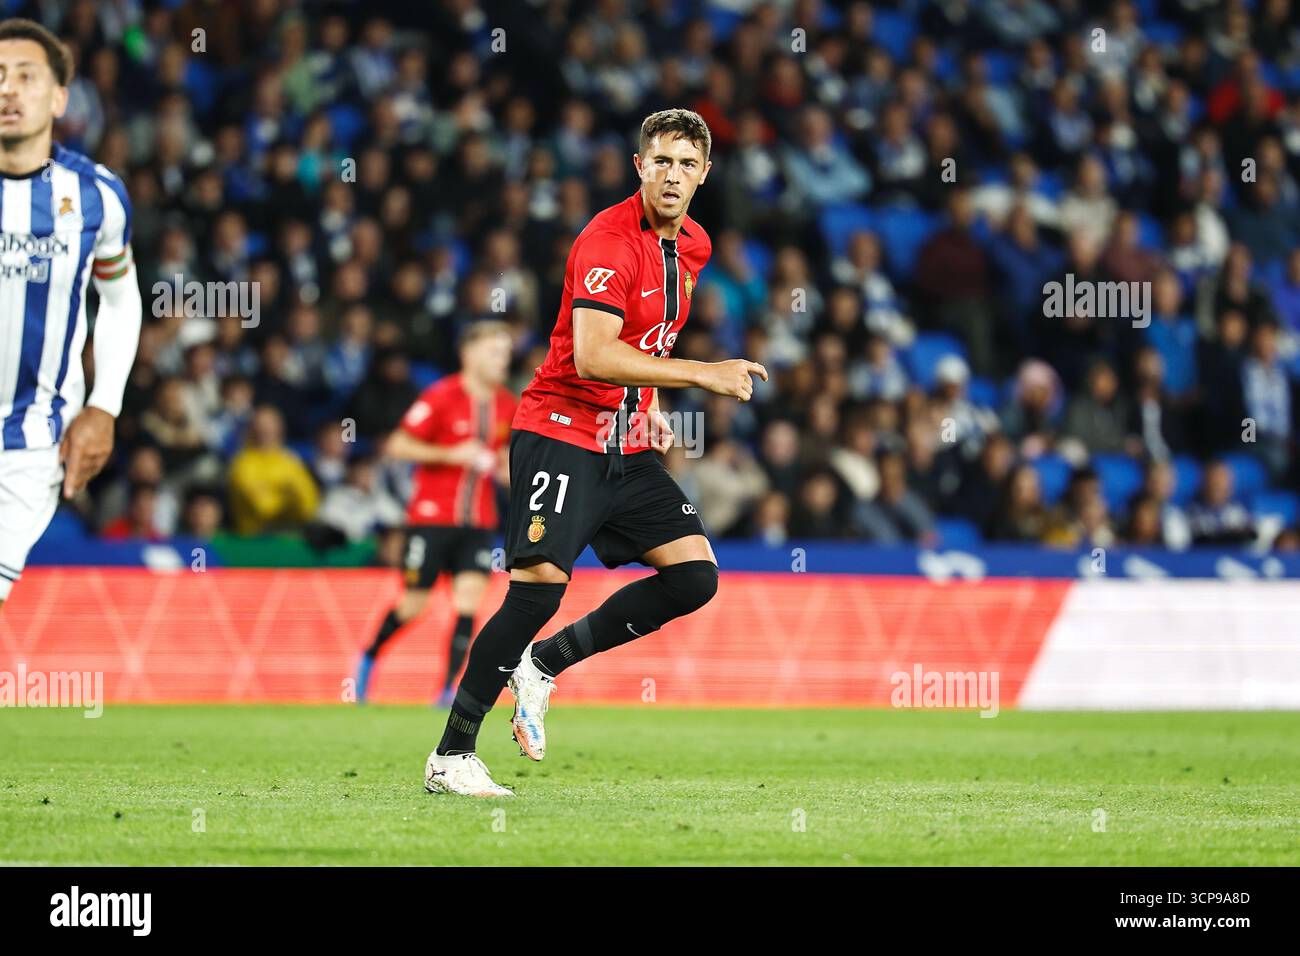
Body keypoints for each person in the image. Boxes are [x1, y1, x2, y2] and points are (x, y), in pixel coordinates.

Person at [424, 109, 767, 797]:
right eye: (661, 161)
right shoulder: (608, 240)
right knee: (538, 590)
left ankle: (543, 666)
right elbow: (593, 353)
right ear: (639, 166)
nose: (672, 176)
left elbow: (649, 344)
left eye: (687, 164)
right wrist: (702, 375)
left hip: (623, 439)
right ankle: (451, 755)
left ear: (704, 175)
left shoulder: (694, 246)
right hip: (560, 427)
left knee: (695, 577)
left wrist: (655, 407)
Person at [0, 19, 141, 609]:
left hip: (31, 443)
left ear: (59, 97)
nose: (8, 89)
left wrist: (104, 406)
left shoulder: (96, 197)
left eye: (26, 77)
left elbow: (121, 298)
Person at [355, 321, 516, 706]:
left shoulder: (507, 405)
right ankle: (366, 661)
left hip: (478, 522)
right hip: (431, 519)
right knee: (414, 603)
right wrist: (451, 454)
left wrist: (505, 467)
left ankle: (446, 692)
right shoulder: (441, 396)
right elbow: (397, 444)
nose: (502, 360)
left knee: (468, 602)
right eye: (495, 351)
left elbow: (508, 463)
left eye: (506, 353)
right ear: (470, 353)